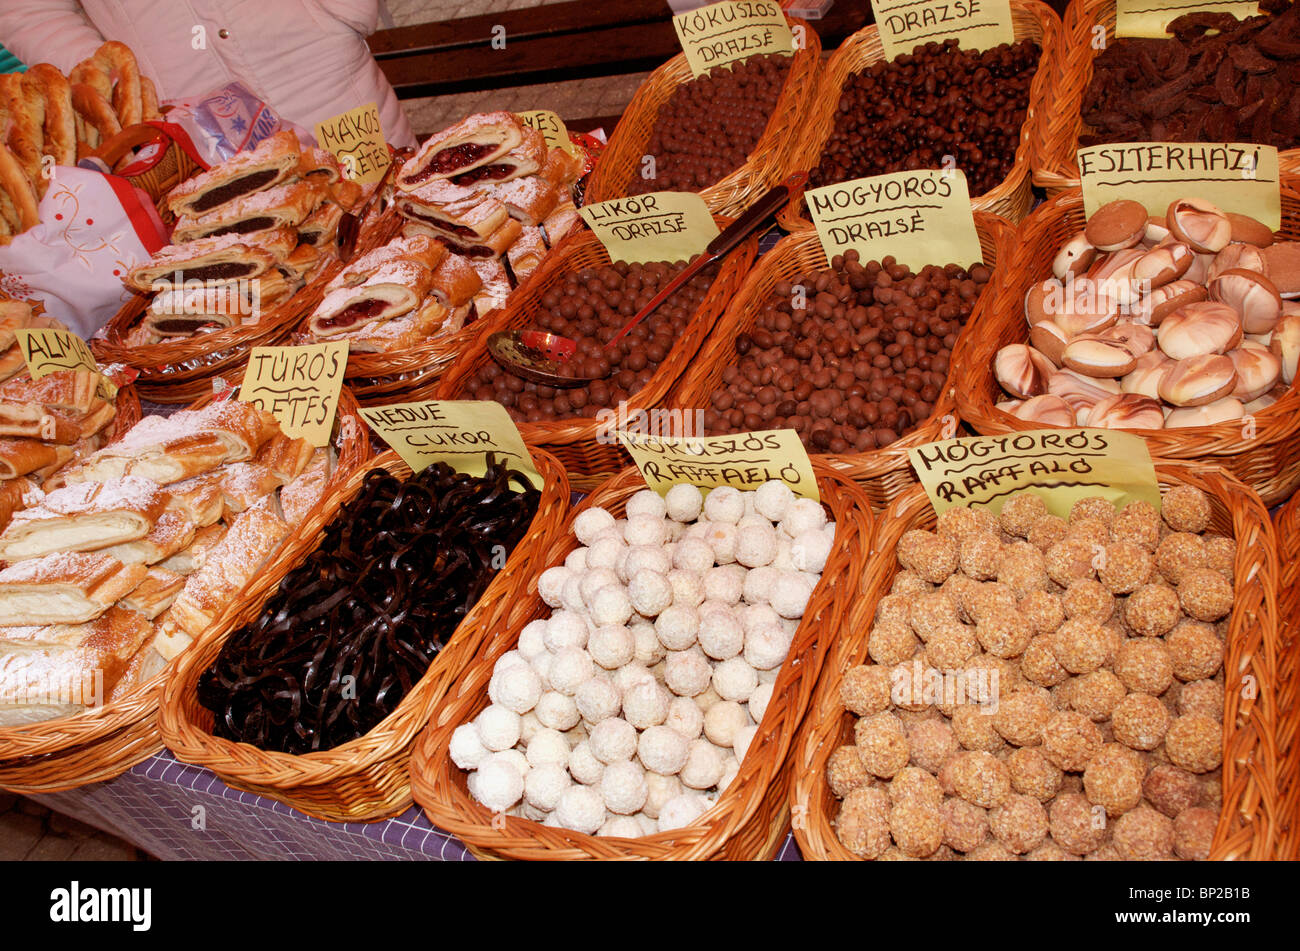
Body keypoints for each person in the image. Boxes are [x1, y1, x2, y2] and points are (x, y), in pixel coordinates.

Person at [0, 0, 416, 148]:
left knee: (411, 241)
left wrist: (338, 13)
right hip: (187, 116)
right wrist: (119, 84)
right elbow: (29, 9)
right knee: (261, 283)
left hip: (319, 69)